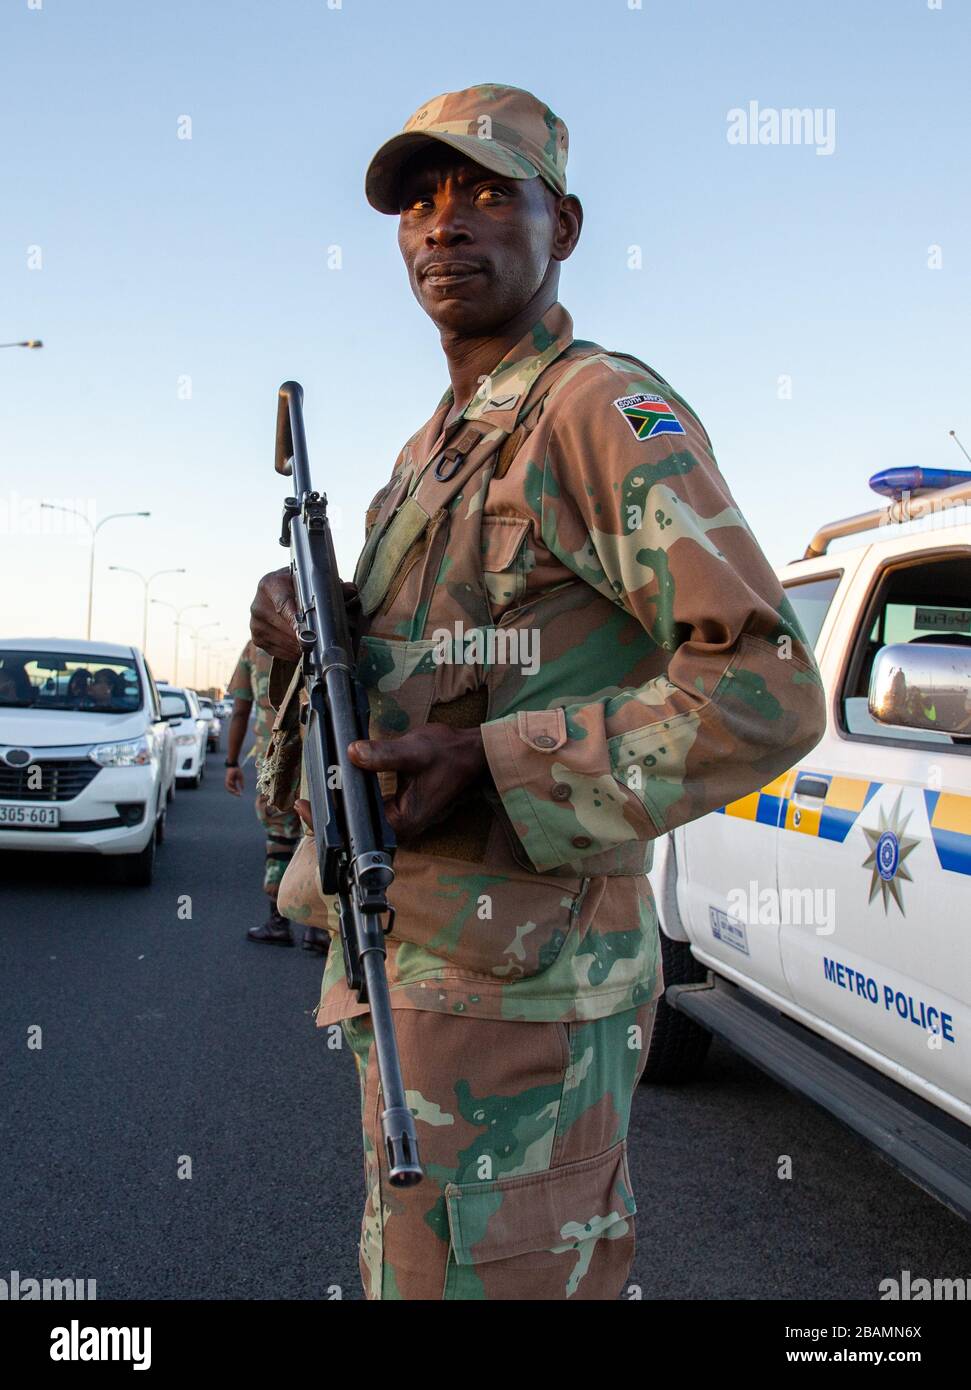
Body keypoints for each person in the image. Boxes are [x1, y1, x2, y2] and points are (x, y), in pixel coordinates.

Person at [251, 83, 826, 1300]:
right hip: (419, 965)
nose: (442, 224)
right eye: (419, 199)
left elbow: (764, 687)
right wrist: (292, 630)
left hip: (527, 997)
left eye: (482, 192)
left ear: (559, 226)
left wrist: (498, 768)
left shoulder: (594, 411)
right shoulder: (433, 449)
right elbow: (400, 670)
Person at [224, 639, 328, 953]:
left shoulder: (258, 644)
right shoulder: (322, 629)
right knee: (320, 831)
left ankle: (278, 921)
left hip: (275, 756)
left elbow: (240, 710)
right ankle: (319, 927)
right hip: (320, 751)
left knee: (279, 835)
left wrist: (231, 763)